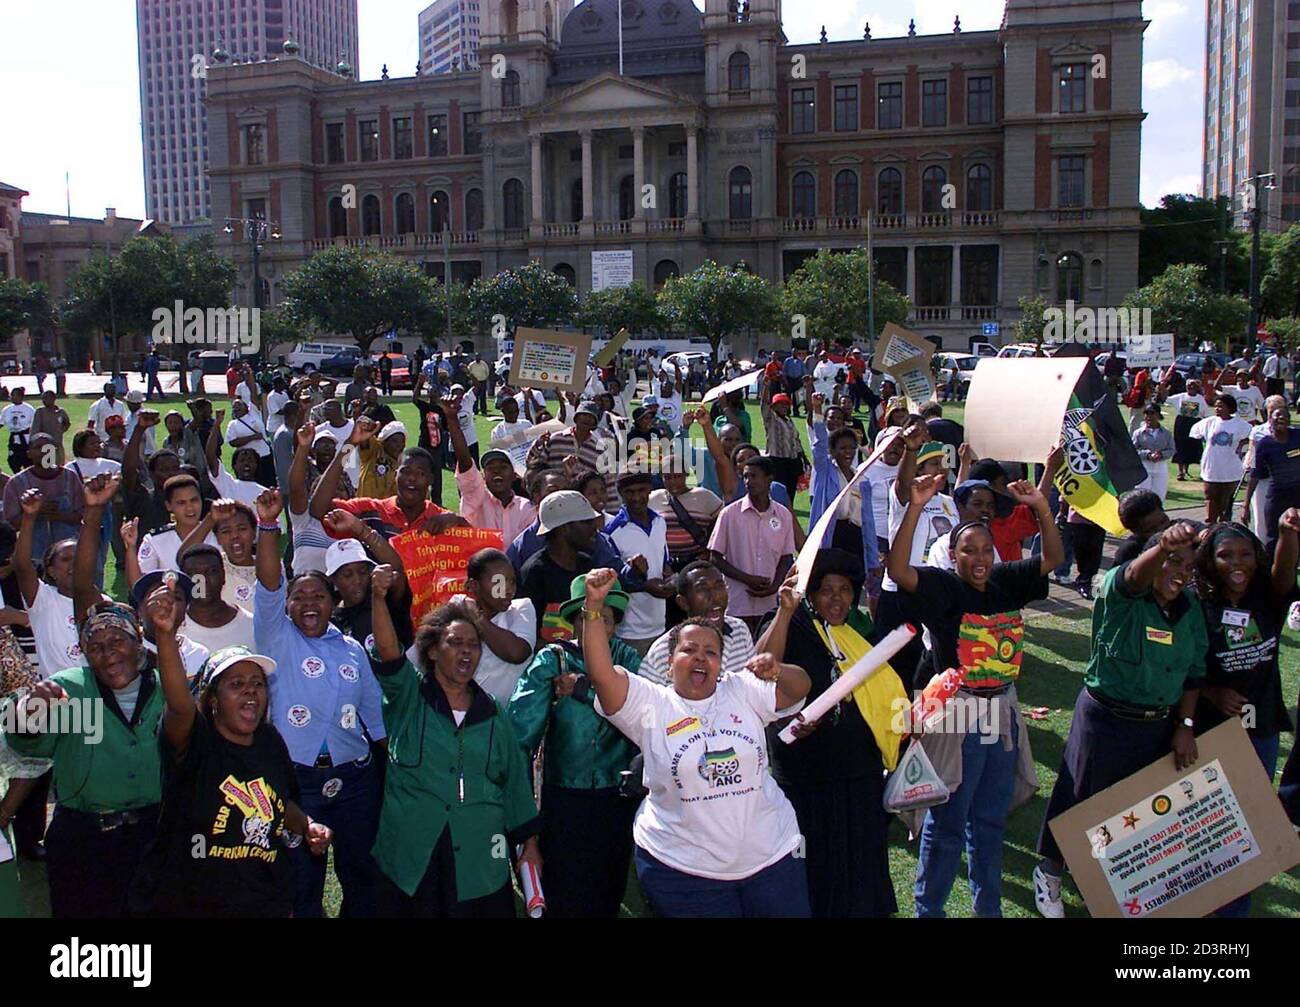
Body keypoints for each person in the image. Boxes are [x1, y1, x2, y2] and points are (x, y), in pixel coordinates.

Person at [580, 567, 812, 917]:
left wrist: (778, 670)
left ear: (721, 664)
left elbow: (801, 686)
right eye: (690, 650)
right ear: (669, 664)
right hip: (683, 870)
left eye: (712, 652)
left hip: (773, 856)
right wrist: (593, 607)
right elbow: (601, 674)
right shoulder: (651, 704)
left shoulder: (740, 688)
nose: (702, 657)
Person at [890, 472, 1063, 918]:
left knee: (989, 822)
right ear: (953, 555)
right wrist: (914, 507)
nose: (980, 558)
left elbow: (1052, 559)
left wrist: (1043, 507)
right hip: (956, 716)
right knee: (947, 822)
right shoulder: (946, 588)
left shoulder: (1006, 581)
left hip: (1000, 712)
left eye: (987, 549)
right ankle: (930, 910)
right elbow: (898, 571)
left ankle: (989, 909)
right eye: (969, 550)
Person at [1034, 521, 1206, 918]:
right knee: (1079, 795)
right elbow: (1130, 578)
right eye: (1171, 561)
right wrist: (1164, 544)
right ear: (1153, 557)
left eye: (1189, 567)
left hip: (1156, 725)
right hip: (1106, 718)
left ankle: (1097, 871)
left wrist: (1184, 725)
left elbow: (1195, 671)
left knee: (1132, 805)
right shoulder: (1124, 593)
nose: (1180, 572)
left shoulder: (1189, 608)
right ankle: (1050, 870)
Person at [368, 573, 542, 918]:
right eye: (455, 643)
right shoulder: (410, 697)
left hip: (479, 861)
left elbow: (514, 785)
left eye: (474, 644)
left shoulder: (493, 714)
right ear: (432, 651)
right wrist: (377, 597)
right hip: (412, 857)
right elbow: (388, 652)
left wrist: (530, 844)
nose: (466, 651)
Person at [253, 488, 387, 919]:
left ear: (334, 604)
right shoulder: (277, 637)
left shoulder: (351, 649)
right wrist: (270, 526)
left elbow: (373, 714)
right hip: (298, 781)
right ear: (288, 606)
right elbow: (269, 583)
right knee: (299, 877)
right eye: (300, 598)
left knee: (361, 871)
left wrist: (391, 763)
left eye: (319, 597)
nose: (310, 604)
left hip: (356, 779)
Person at [756, 551, 905, 917]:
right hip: (810, 777)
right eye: (826, 590)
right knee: (816, 863)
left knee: (862, 862)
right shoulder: (791, 627)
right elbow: (760, 670)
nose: (837, 599)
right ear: (810, 595)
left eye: (844, 590)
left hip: (859, 775)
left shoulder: (856, 635)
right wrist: (785, 611)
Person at [2, 597, 163, 917]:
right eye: (95, 646)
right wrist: (28, 714)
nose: (108, 653)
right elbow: (26, 748)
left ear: (137, 642)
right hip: (84, 839)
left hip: (152, 835)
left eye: (117, 640)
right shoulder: (70, 688)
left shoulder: (164, 688)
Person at [506, 573, 637, 916]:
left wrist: (586, 691)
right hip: (563, 797)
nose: (596, 626)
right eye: (587, 618)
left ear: (615, 625)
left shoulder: (629, 661)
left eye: (605, 619)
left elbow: (645, 722)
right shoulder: (552, 661)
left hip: (617, 796)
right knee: (565, 889)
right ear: (575, 622)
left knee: (608, 887)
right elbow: (520, 732)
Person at [1192, 517, 1300, 917]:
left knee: (1248, 818)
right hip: (1207, 728)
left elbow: (1285, 576)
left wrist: (1288, 534)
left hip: (1260, 726)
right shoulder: (1196, 602)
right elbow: (1180, 662)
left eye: (1245, 554)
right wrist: (1212, 692)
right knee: (1207, 821)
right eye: (1225, 556)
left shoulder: (1266, 596)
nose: (1237, 563)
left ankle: (1234, 906)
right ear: (1210, 561)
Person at [707, 455, 796, 637]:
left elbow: (786, 557)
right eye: (745, 477)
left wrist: (774, 587)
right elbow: (715, 557)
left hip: (771, 604)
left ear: (769, 478)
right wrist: (747, 579)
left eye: (754, 476)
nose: (748, 481)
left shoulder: (783, 515)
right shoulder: (729, 514)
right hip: (738, 603)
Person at [519, 490, 604, 645]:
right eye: (585, 522)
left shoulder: (587, 565)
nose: (594, 528)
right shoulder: (535, 573)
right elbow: (528, 636)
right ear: (564, 528)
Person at [604, 471, 675, 655]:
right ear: (621, 493)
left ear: (650, 489)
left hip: (660, 624)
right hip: (629, 631)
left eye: (641, 490)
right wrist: (644, 585)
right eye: (629, 492)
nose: (636, 497)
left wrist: (669, 579)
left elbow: (663, 562)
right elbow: (611, 581)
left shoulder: (659, 521)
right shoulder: (611, 532)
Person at [1, 433, 85, 565]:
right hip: (33, 555)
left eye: (48, 447)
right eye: (38, 447)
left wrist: (59, 516)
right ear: (29, 454)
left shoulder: (69, 477)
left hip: (69, 555)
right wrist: (34, 513)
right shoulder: (16, 483)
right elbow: (10, 524)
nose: (44, 451)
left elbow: (82, 514)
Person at [526, 400, 616, 501]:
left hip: (582, 502)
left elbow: (609, 482)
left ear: (595, 423)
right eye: (584, 415)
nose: (587, 419)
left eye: (591, 417)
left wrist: (611, 512)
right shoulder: (556, 439)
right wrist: (538, 444)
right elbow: (532, 463)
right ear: (576, 418)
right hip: (552, 498)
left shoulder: (600, 450)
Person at [1242, 401, 1300, 553]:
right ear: (1270, 420)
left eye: (1285, 416)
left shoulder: (1298, 436)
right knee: (1273, 538)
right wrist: (1246, 505)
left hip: (1298, 494)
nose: (1281, 418)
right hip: (1277, 497)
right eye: (1277, 416)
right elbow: (1254, 475)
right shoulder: (1263, 444)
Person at [177, 543, 256, 653]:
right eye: (193, 573)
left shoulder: (252, 625)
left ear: (223, 575)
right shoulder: (174, 629)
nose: (203, 580)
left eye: (211, 571)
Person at [132, 474, 215, 577]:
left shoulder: (219, 534)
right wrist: (130, 547)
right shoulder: (155, 540)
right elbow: (140, 583)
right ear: (169, 506)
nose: (190, 508)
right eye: (181, 503)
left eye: (194, 500)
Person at [650, 460, 722, 577]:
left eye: (678, 476)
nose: (673, 482)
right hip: (666, 566)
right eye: (667, 477)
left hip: (697, 564)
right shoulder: (653, 498)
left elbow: (722, 524)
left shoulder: (705, 496)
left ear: (686, 475)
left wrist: (710, 550)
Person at [1190, 393, 1252, 524]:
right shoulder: (1209, 422)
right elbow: (1195, 434)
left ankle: (1225, 526)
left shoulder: (1240, 424)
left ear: (1230, 407)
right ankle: (1210, 525)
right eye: (1216, 406)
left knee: (1226, 501)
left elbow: (1253, 437)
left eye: (1221, 406)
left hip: (1230, 469)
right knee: (1210, 496)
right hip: (1211, 467)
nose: (1217, 409)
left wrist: (1242, 444)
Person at [759, 375, 806, 505]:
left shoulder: (789, 421)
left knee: (790, 493)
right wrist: (766, 387)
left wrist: (803, 458)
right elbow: (763, 405)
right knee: (777, 492)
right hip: (776, 461)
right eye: (781, 404)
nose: (784, 407)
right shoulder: (771, 419)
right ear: (774, 406)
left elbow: (796, 440)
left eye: (786, 404)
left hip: (792, 461)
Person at [1112, 489, 1171, 566]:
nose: (1161, 530)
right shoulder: (1129, 552)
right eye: (1151, 529)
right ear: (1134, 531)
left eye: (1163, 521)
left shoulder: (1182, 533)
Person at [1133, 403, 1175, 501]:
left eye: (1152, 413)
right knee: (1142, 496)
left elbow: (1172, 449)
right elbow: (1133, 450)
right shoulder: (1138, 433)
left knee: (1159, 495)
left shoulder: (1166, 433)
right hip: (1144, 466)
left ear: (1158, 415)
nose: (1148, 416)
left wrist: (1161, 454)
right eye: (1146, 413)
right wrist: (1147, 455)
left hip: (1160, 466)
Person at [1, 386, 35, 474]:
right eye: (11, 395)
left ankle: (29, 477)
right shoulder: (7, 410)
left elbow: (34, 425)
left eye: (13, 395)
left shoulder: (29, 409)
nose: (11, 397)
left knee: (28, 461)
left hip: (26, 438)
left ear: (20, 396)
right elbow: (1, 423)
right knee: (12, 461)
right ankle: (18, 476)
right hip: (14, 438)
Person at [30, 390, 70, 460]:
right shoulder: (40, 412)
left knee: (59, 466)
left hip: (57, 444)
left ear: (53, 399)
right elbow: (35, 429)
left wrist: (60, 430)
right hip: (44, 446)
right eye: (43, 398)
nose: (44, 400)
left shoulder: (60, 412)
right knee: (47, 466)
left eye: (46, 398)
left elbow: (67, 423)